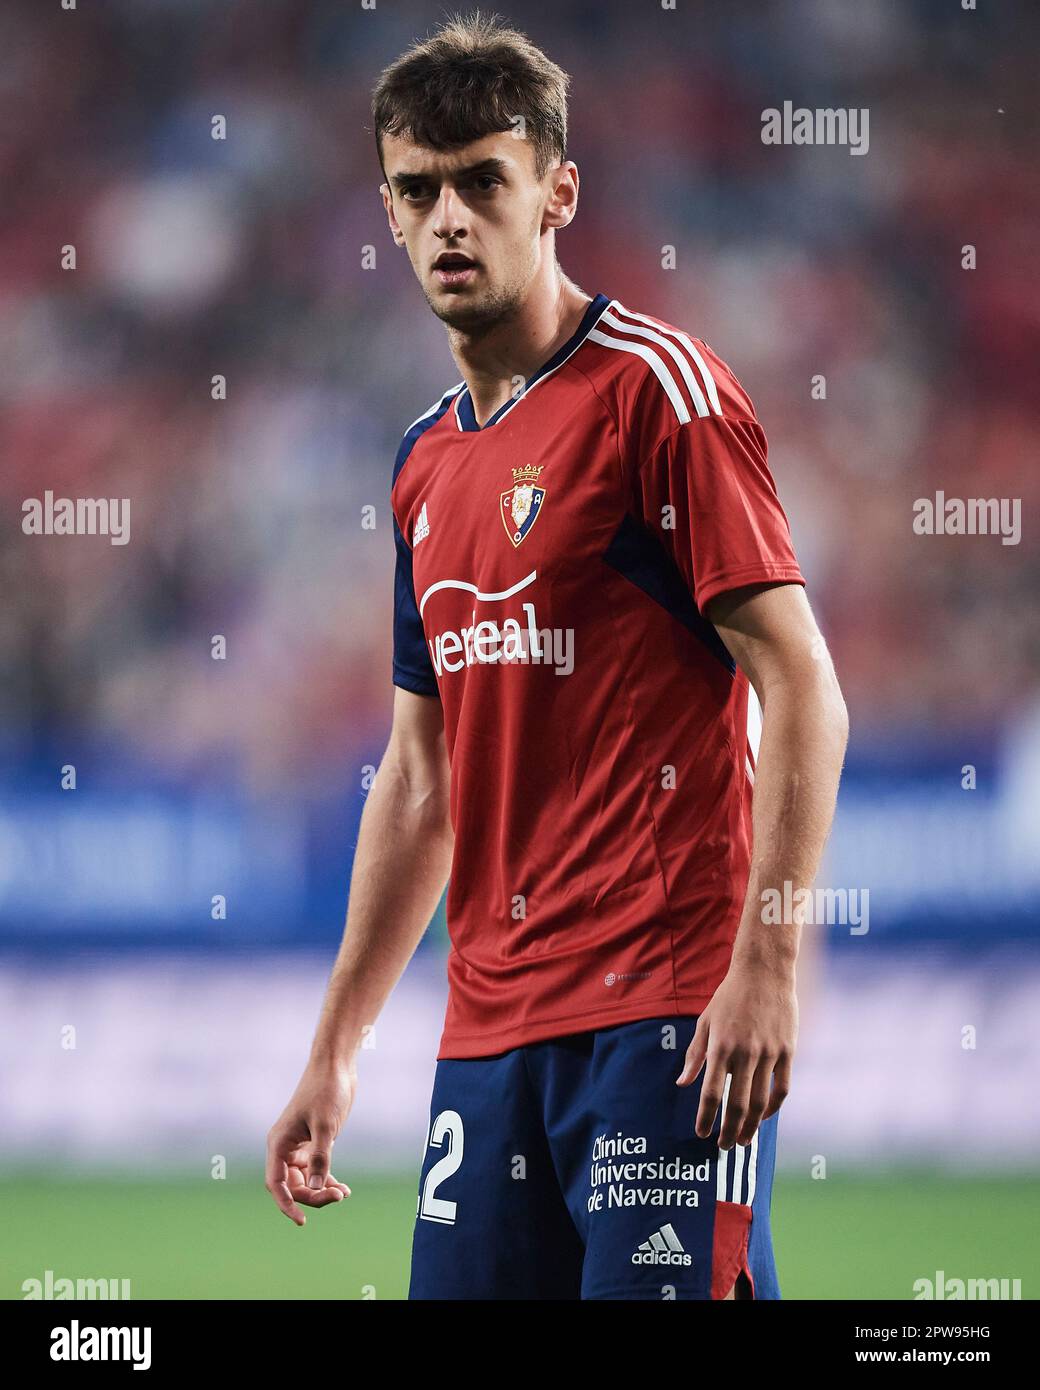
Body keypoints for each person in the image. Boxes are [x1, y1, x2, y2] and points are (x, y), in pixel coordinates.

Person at [266, 11, 848, 1301]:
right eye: (418, 190)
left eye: (485, 180)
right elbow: (421, 778)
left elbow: (802, 684)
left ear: (557, 193)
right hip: (487, 1042)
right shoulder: (423, 464)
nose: (450, 219)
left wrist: (768, 965)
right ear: (390, 209)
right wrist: (340, 1045)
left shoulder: (659, 394)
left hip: (664, 1022)